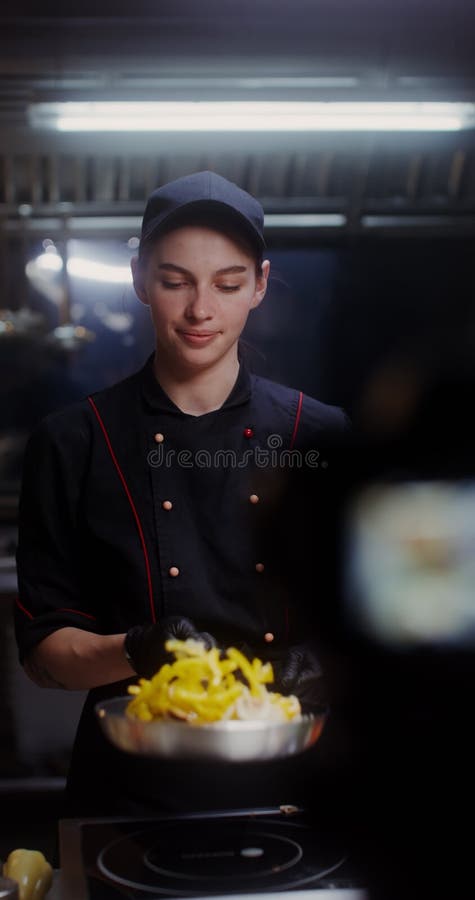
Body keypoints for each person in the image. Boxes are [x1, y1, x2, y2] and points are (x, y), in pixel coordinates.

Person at [14, 171, 351, 818]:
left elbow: (386, 624)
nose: (201, 310)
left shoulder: (320, 435)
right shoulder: (72, 442)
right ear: (140, 278)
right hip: (130, 788)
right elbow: (44, 655)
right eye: (174, 282)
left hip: (299, 786)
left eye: (227, 284)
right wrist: (138, 648)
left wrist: (320, 662)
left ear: (258, 284)